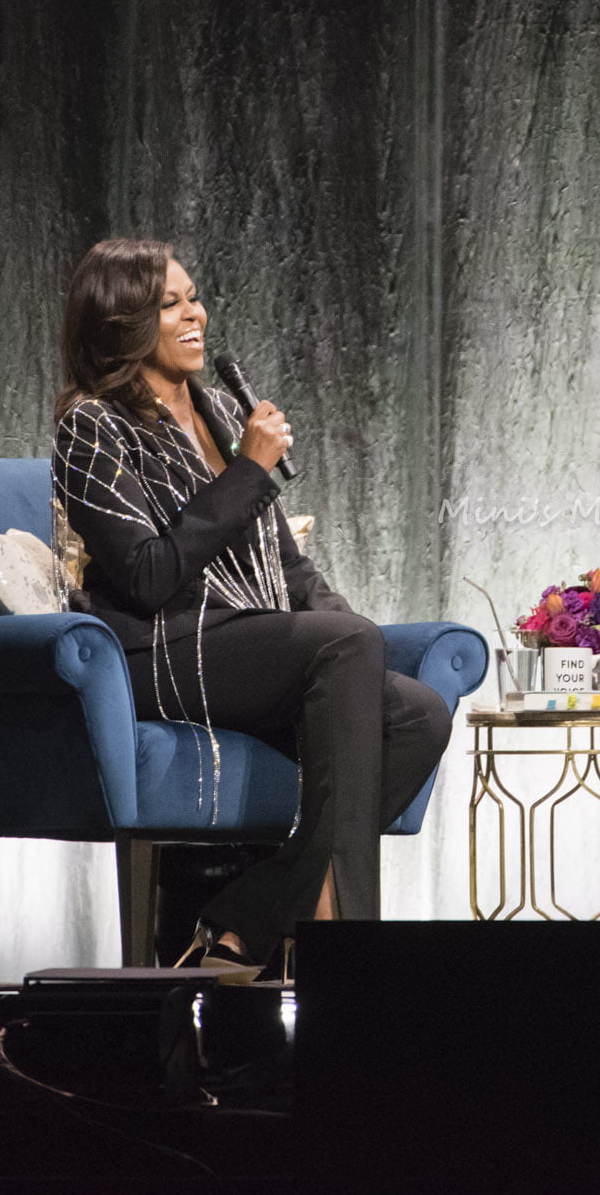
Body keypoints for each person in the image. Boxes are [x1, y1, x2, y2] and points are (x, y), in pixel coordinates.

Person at [51, 238, 452, 974]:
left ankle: (244, 920)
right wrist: (248, 470)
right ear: (120, 321)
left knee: (419, 714)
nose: (194, 314)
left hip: (243, 637)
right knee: (343, 646)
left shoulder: (215, 409)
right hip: (161, 647)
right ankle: (340, 945)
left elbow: (284, 565)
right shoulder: (93, 427)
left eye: (194, 297)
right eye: (169, 304)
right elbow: (147, 575)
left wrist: (359, 635)